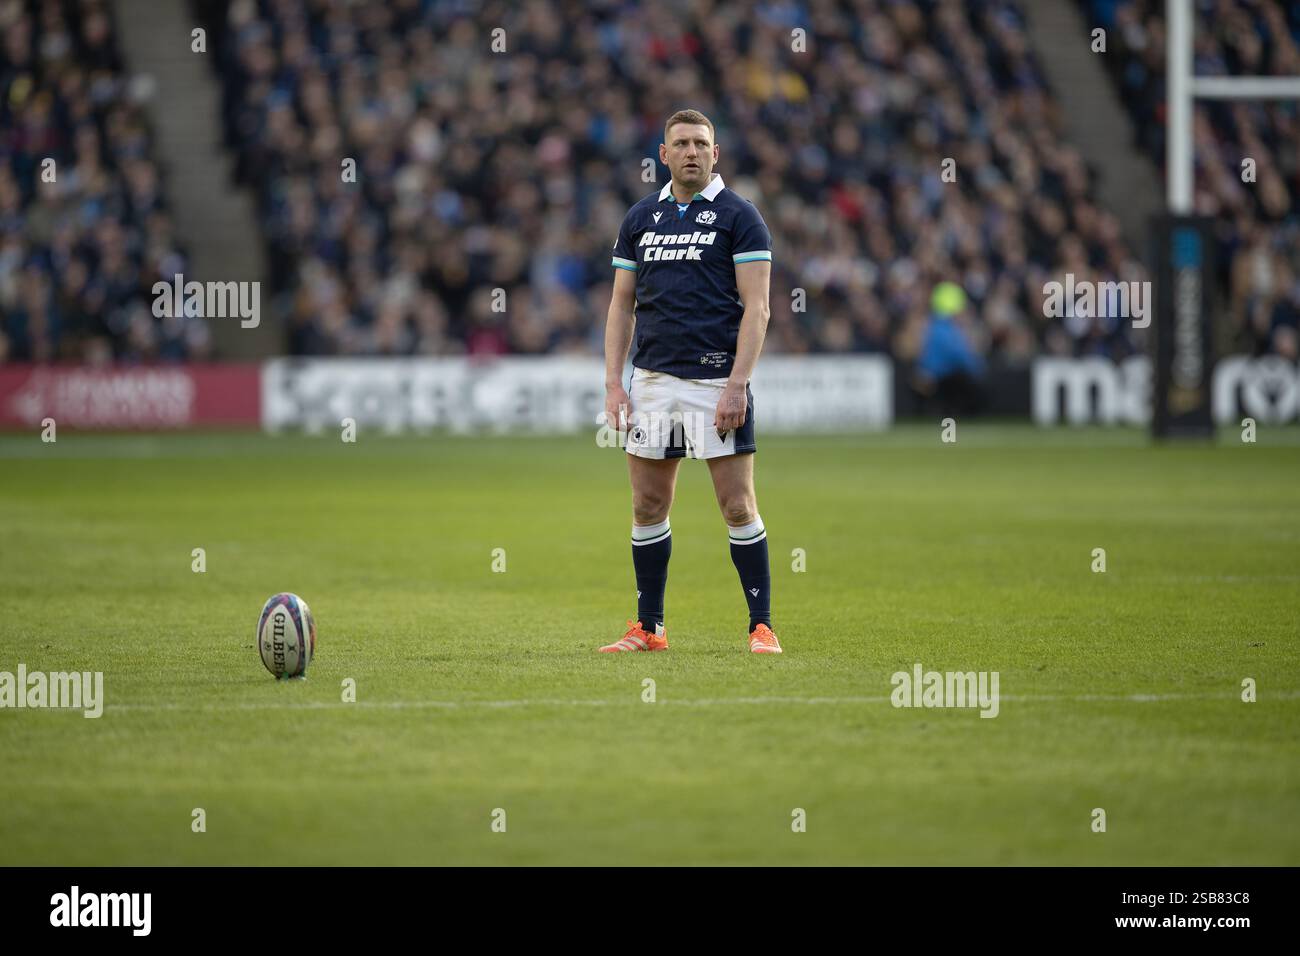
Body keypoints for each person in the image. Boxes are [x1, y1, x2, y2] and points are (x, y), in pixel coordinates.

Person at [600, 109, 781, 655]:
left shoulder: (740, 217)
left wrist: (737, 385)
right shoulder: (639, 219)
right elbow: (620, 306)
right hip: (653, 381)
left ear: (716, 153)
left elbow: (760, 309)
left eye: (701, 143)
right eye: (681, 143)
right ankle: (649, 629)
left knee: (737, 506)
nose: (692, 152)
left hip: (714, 381)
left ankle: (761, 626)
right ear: (663, 154)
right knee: (648, 507)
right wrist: (614, 383)